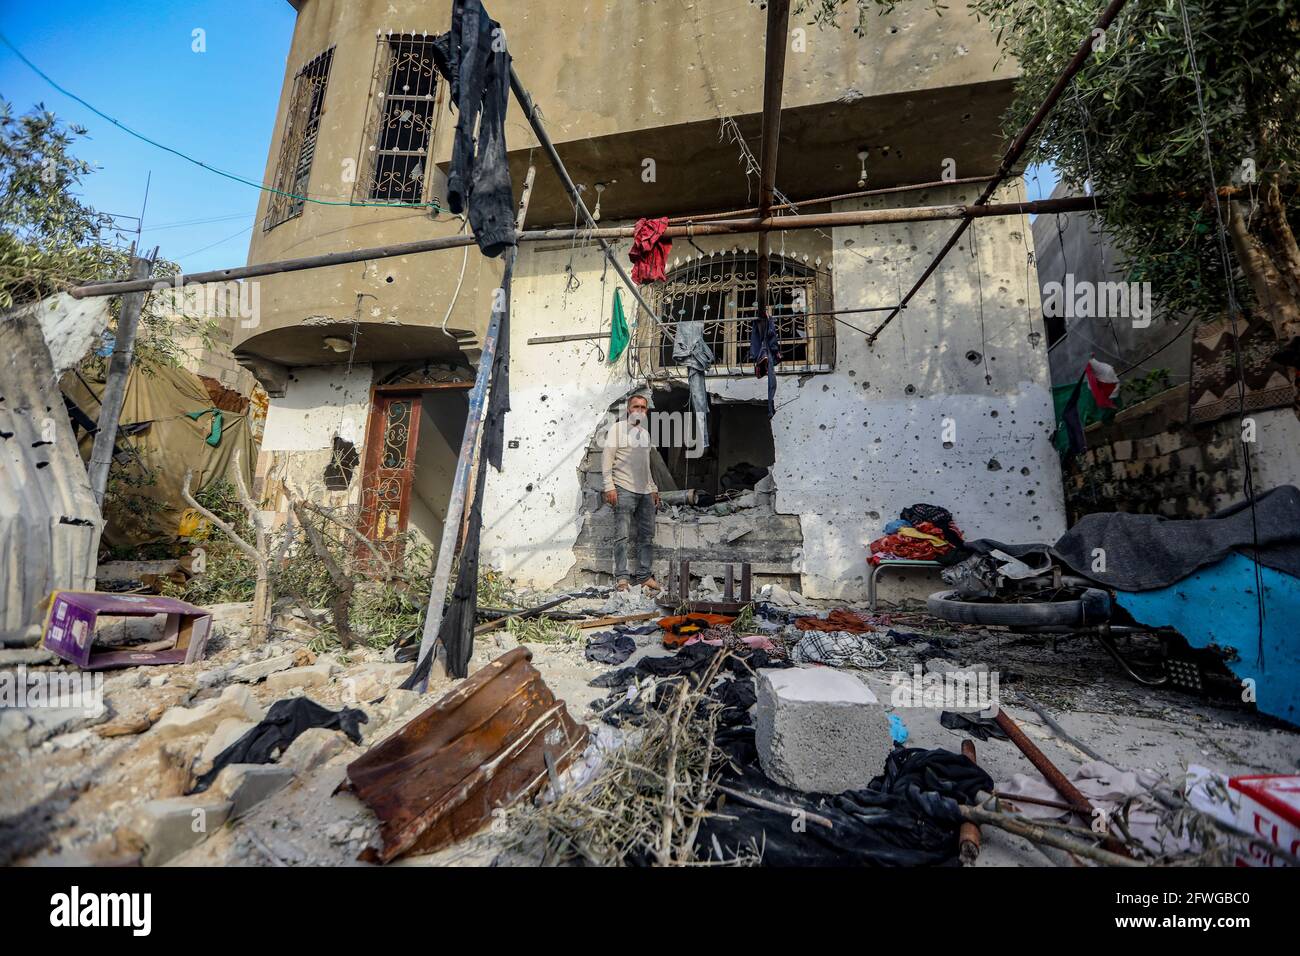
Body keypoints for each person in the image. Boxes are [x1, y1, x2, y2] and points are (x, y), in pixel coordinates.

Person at [601, 394, 661, 591]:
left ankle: (644, 576)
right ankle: (622, 578)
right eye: (636, 407)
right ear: (629, 409)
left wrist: (653, 488)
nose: (639, 410)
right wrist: (609, 485)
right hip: (623, 488)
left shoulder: (644, 434)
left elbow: (646, 465)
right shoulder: (617, 429)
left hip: (644, 492)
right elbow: (607, 458)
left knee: (646, 536)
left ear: (646, 411)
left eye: (643, 408)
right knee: (622, 536)